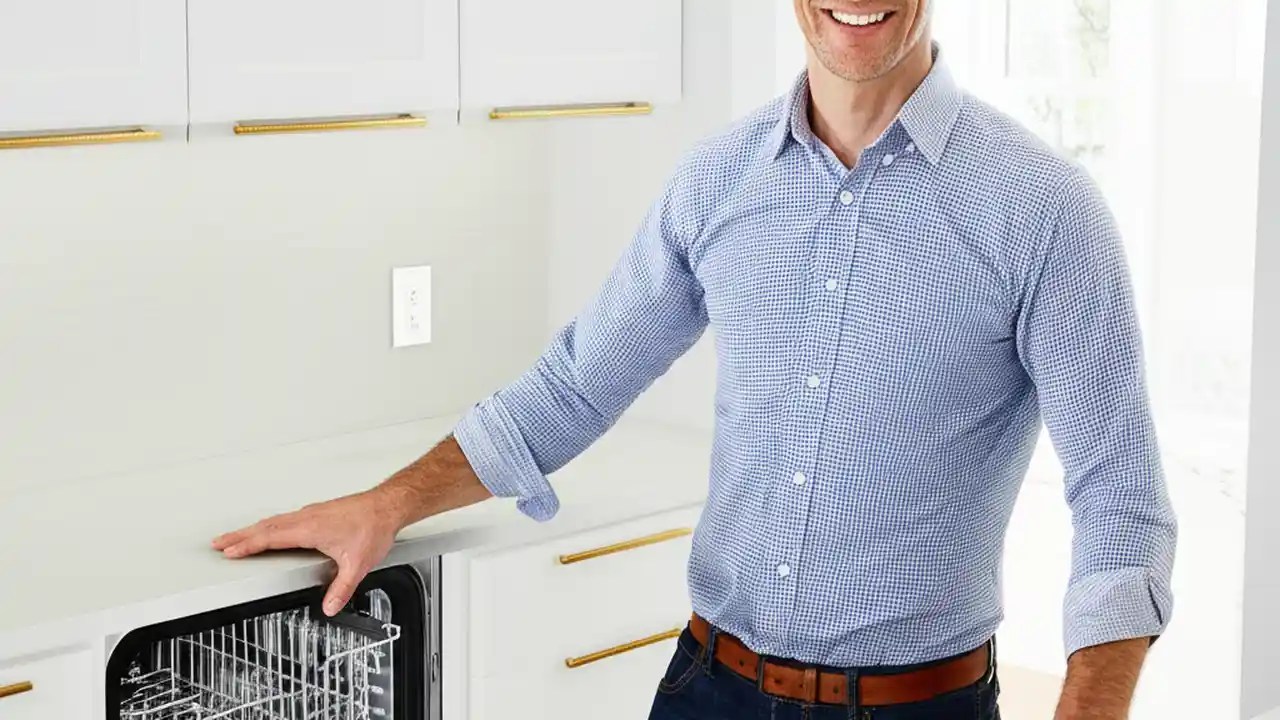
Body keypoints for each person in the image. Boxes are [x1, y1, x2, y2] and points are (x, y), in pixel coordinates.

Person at [213, 1, 1178, 718]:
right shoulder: (718, 180)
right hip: (706, 689)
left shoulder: (1044, 211)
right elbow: (574, 385)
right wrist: (390, 503)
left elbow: (1122, 514)